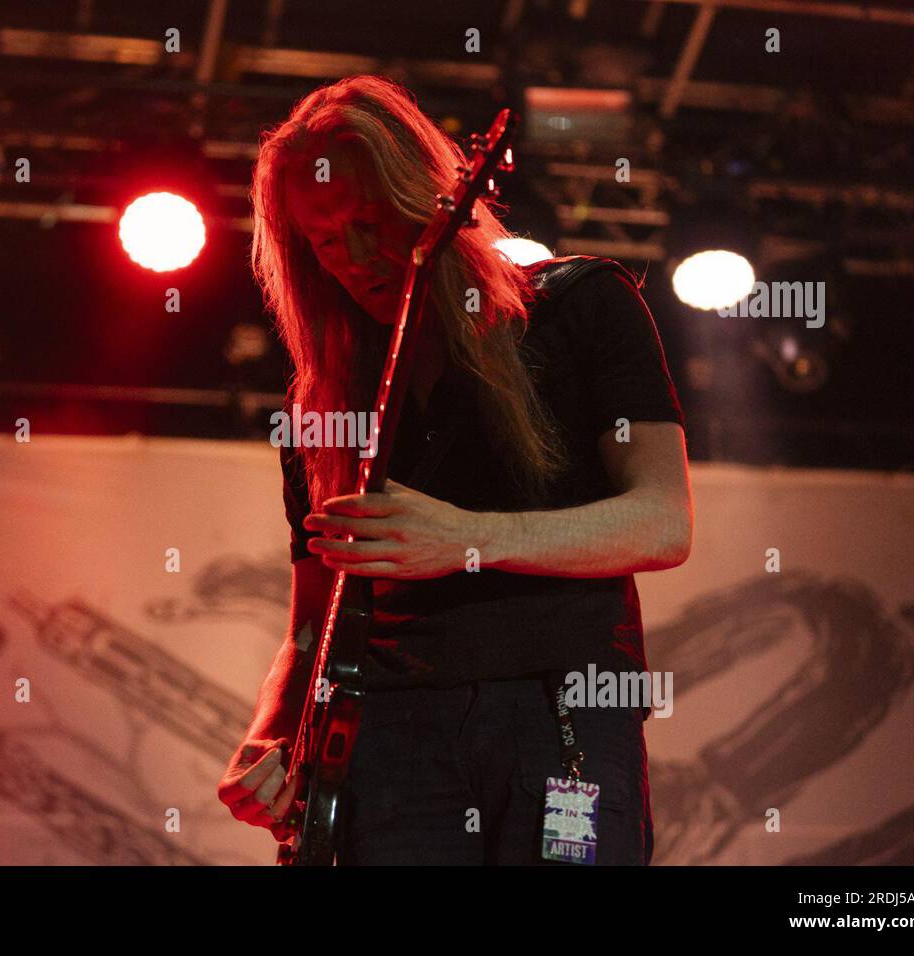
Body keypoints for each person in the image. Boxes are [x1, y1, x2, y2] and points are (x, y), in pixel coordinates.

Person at [217, 75, 693, 865]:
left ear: (429, 198)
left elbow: (663, 520)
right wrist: (269, 735)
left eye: (368, 221)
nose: (353, 258)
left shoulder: (582, 306)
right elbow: (313, 618)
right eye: (324, 240)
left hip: (559, 709)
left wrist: (467, 538)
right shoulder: (326, 401)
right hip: (390, 735)